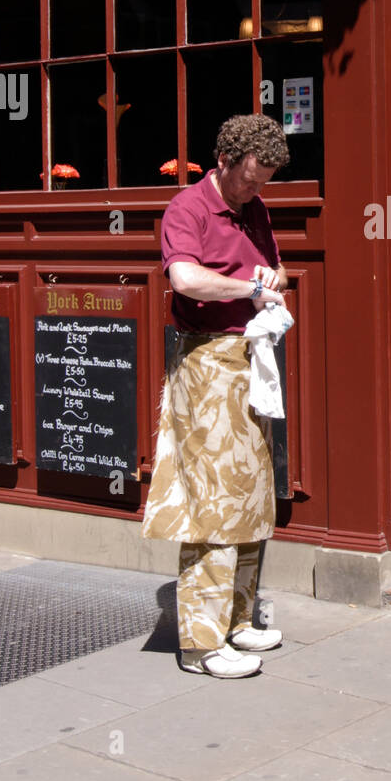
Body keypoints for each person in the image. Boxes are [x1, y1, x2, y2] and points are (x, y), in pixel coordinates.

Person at [142, 114, 290, 679]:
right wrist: (251, 287)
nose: (257, 192)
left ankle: (237, 619)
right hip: (206, 360)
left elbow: (271, 267)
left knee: (253, 492)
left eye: (265, 183)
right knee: (213, 501)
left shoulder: (255, 207)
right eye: (251, 180)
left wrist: (272, 280)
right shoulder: (188, 208)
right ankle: (200, 645)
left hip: (250, 359)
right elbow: (184, 278)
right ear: (223, 161)